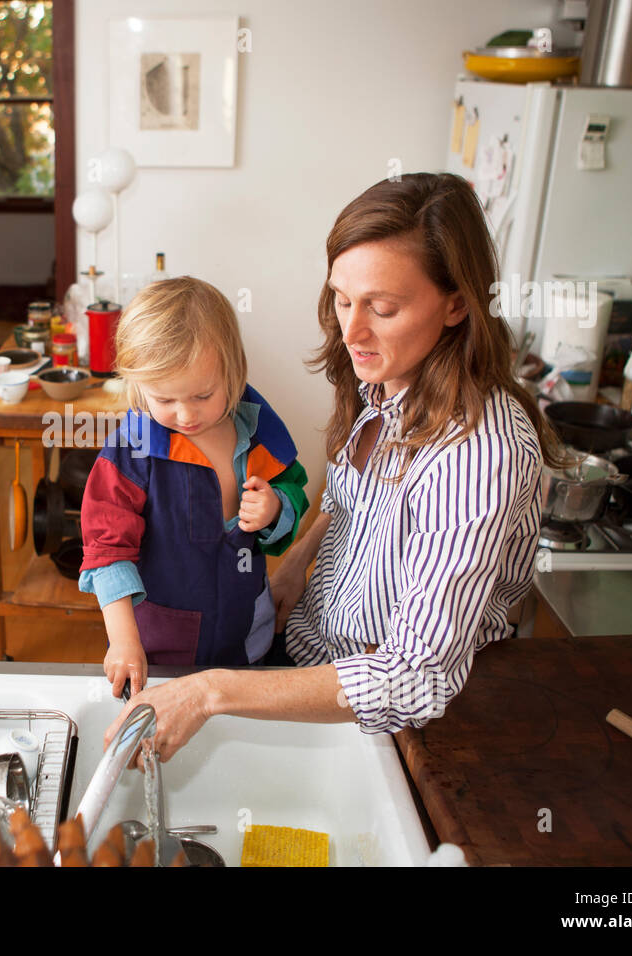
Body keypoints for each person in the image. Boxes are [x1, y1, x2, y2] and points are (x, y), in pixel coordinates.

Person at [104, 172, 565, 760]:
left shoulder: (480, 455)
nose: (351, 331)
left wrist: (210, 691)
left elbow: (414, 677)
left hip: (391, 722)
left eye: (383, 307)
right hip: (304, 654)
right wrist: (296, 563)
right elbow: (350, 504)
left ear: (456, 304)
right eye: (342, 299)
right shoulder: (385, 378)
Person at [78, 277, 310, 696]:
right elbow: (106, 553)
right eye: (164, 400)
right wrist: (125, 640)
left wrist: (276, 509)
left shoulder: (259, 434)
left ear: (233, 371)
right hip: (159, 654)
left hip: (248, 643)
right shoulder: (131, 456)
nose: (185, 415)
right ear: (137, 386)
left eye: (203, 395)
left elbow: (295, 495)